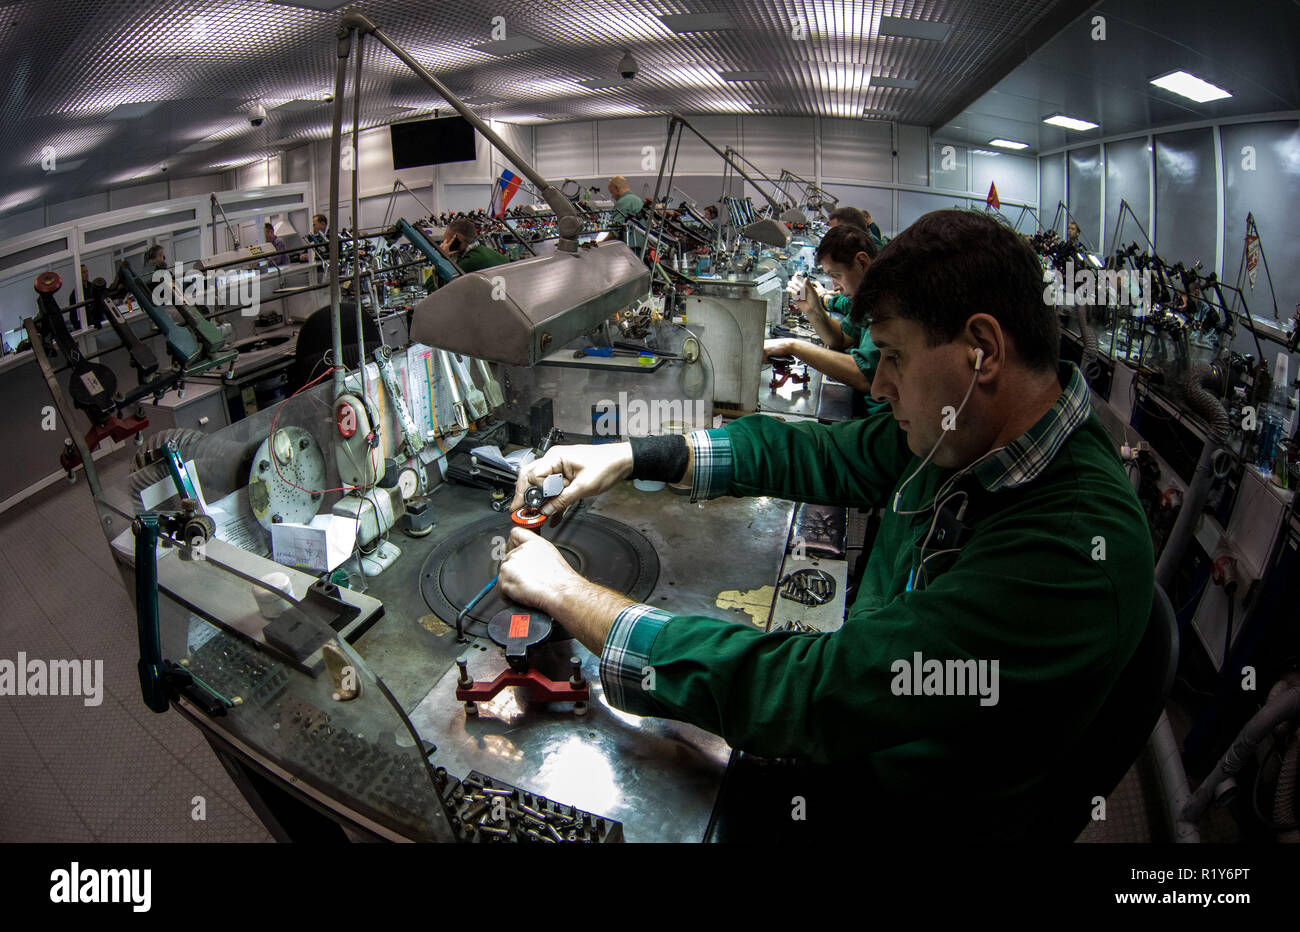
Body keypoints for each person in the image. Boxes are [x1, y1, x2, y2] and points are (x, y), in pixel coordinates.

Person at [498, 209, 1154, 841]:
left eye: (893, 356)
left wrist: (570, 595)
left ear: (981, 351)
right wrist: (635, 454)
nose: (881, 384)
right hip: (864, 739)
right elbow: (822, 453)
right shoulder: (966, 435)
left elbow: (818, 693)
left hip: (902, 813)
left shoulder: (1071, 551)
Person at [764, 224, 887, 414]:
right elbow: (840, 338)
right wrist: (812, 309)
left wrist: (792, 346)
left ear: (862, 262)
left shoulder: (886, 302)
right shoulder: (866, 298)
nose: (835, 287)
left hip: (880, 419)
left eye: (836, 276)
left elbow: (864, 376)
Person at [440, 216, 510, 273]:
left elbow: (434, 287)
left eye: (447, 241)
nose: (445, 244)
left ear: (457, 238)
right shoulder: (492, 254)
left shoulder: (469, 262)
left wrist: (442, 257)